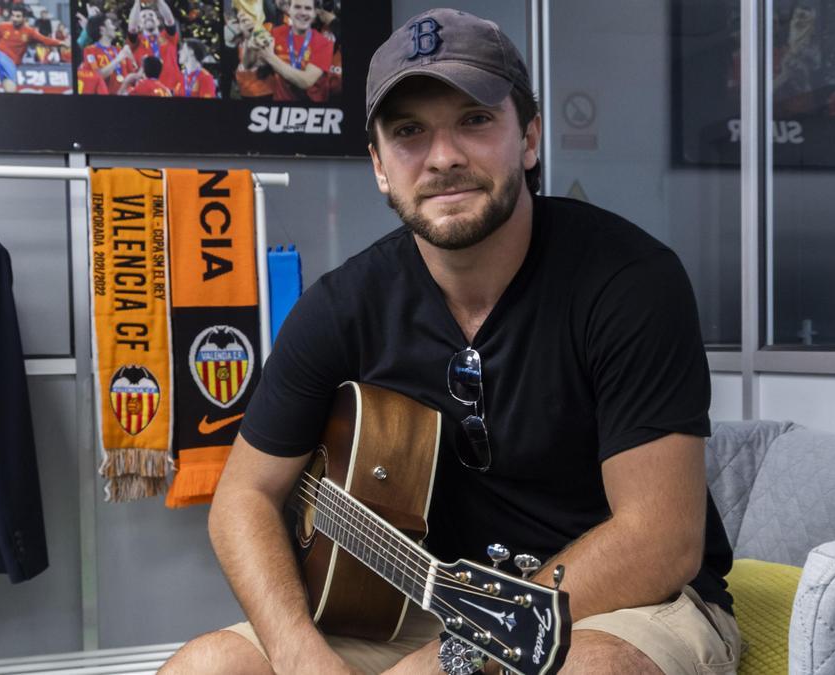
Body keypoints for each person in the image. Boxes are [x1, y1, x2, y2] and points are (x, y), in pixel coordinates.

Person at [161, 8, 740, 675]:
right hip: (414, 602)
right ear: (379, 166)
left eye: (474, 120)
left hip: (621, 606)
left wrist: (454, 658)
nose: (443, 157)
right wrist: (299, 652)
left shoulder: (629, 281)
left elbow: (659, 540)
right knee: (206, 666)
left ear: (528, 138)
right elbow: (244, 496)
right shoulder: (342, 306)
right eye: (409, 132)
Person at [255, 0, 332, 102]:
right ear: (289, 10)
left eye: (308, 8)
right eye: (297, 7)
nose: (303, 12)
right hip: (280, 104)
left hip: (311, 108)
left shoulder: (324, 43)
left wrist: (270, 57)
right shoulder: (276, 33)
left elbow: (306, 81)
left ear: (314, 13)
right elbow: (255, 65)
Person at [126, 0, 179, 91]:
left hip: (171, 89)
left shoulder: (168, 37)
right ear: (139, 25)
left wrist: (159, 1)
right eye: (143, 16)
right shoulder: (137, 42)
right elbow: (132, 28)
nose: (148, 17)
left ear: (158, 21)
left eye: (151, 15)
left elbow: (169, 20)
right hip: (146, 91)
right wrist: (137, 2)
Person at [80, 13, 134, 95]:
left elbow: (133, 76)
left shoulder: (120, 50)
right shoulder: (90, 51)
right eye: (110, 24)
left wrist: (134, 59)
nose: (114, 27)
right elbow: (97, 76)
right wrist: (118, 59)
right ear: (102, 30)